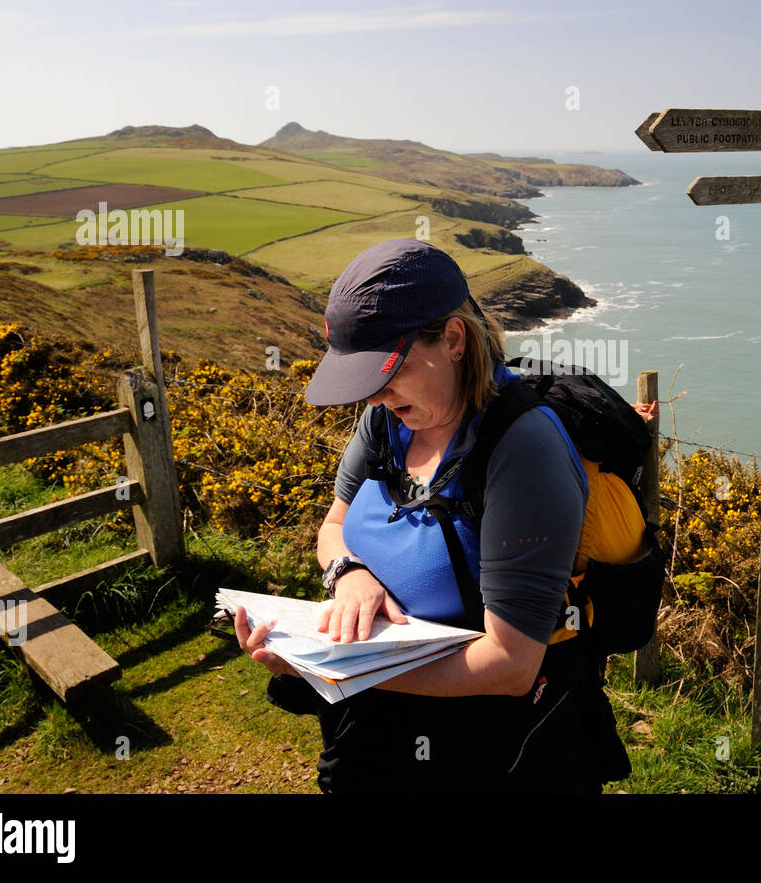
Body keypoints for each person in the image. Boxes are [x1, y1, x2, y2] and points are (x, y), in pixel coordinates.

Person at [234, 238, 654, 794]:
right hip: (378, 726)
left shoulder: (522, 447)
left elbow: (510, 663)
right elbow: (333, 528)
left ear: (454, 340)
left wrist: (337, 668)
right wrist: (348, 574)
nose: (376, 394)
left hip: (498, 748)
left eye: (387, 372)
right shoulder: (386, 420)